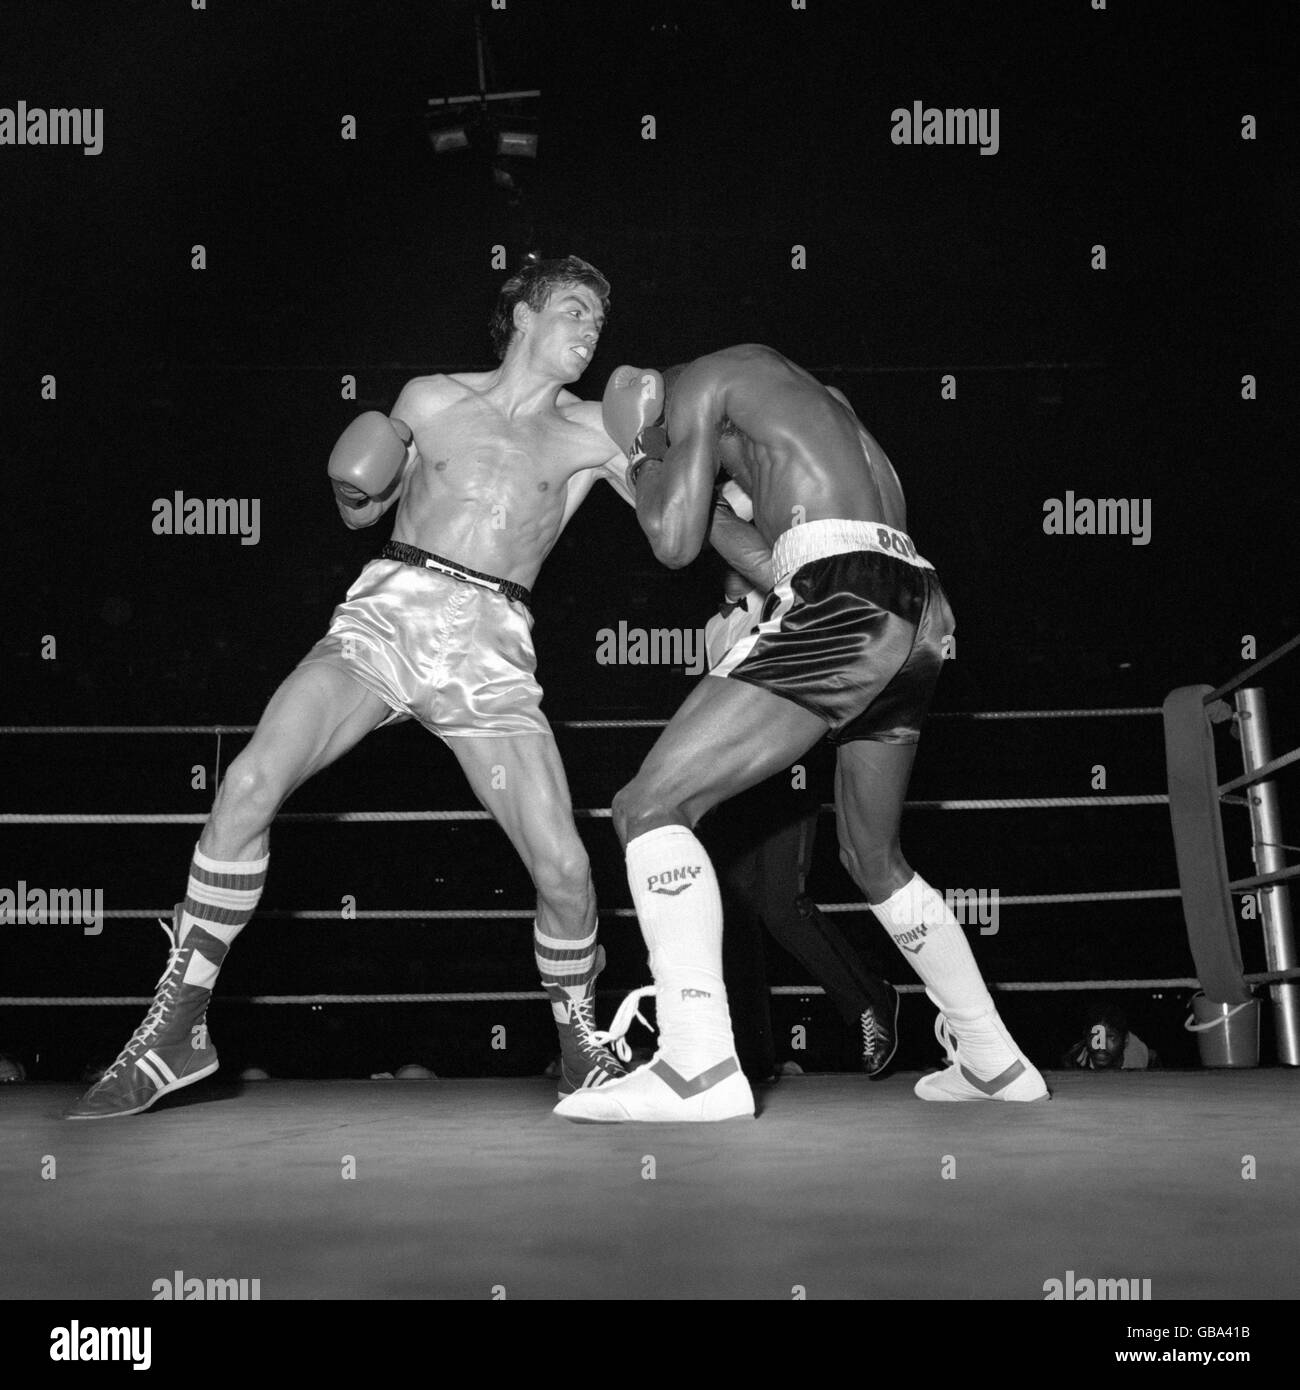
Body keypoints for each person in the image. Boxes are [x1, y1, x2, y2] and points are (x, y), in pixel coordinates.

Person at [68, 256, 634, 1120]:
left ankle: (579, 1043)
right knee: (251, 781)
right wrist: (352, 490)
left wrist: (668, 443)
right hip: (390, 615)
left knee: (564, 869)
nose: (590, 329)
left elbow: (678, 524)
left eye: (599, 318)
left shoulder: (598, 429)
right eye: (572, 309)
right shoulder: (430, 398)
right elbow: (362, 512)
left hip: (494, 648)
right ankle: (178, 1027)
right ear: (520, 315)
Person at [559, 344, 1048, 1121]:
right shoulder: (812, 408)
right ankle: (992, 1056)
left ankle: (696, 1064)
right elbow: (766, 559)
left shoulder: (704, 381)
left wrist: (644, 460)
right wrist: (711, 501)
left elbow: (672, 542)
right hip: (914, 608)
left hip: (844, 599)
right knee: (872, 857)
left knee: (648, 805)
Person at [700, 570, 901, 1079]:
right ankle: (750, 1056)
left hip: (790, 767)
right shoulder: (713, 628)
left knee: (783, 905)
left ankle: (869, 1003)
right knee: (734, 913)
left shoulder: (798, 602)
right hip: (736, 780)